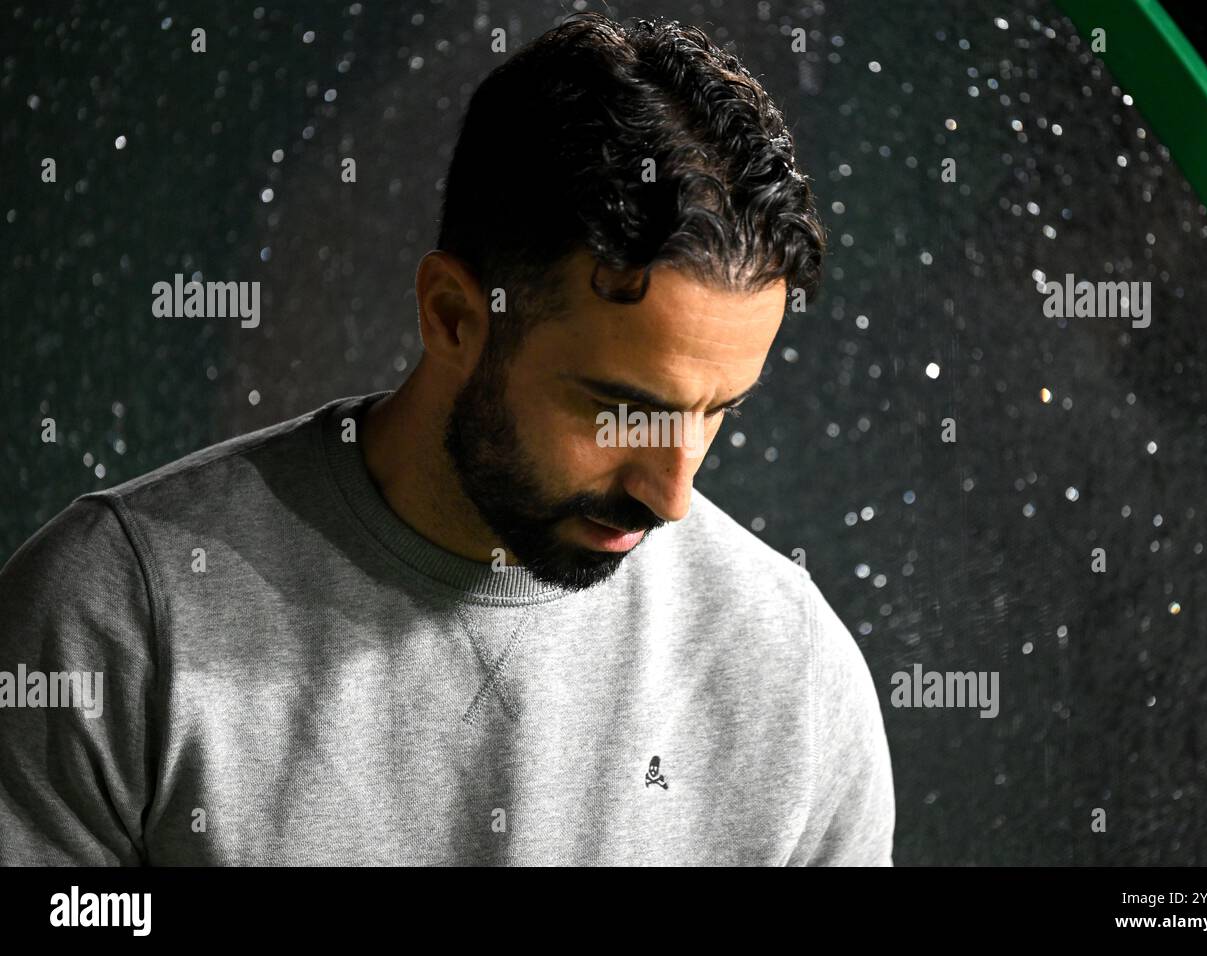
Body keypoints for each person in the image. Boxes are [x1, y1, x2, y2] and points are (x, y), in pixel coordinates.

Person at [0, 12, 894, 865]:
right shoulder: (113, 620)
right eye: (621, 408)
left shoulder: (795, 675)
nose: (671, 494)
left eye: (718, 412)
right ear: (454, 316)